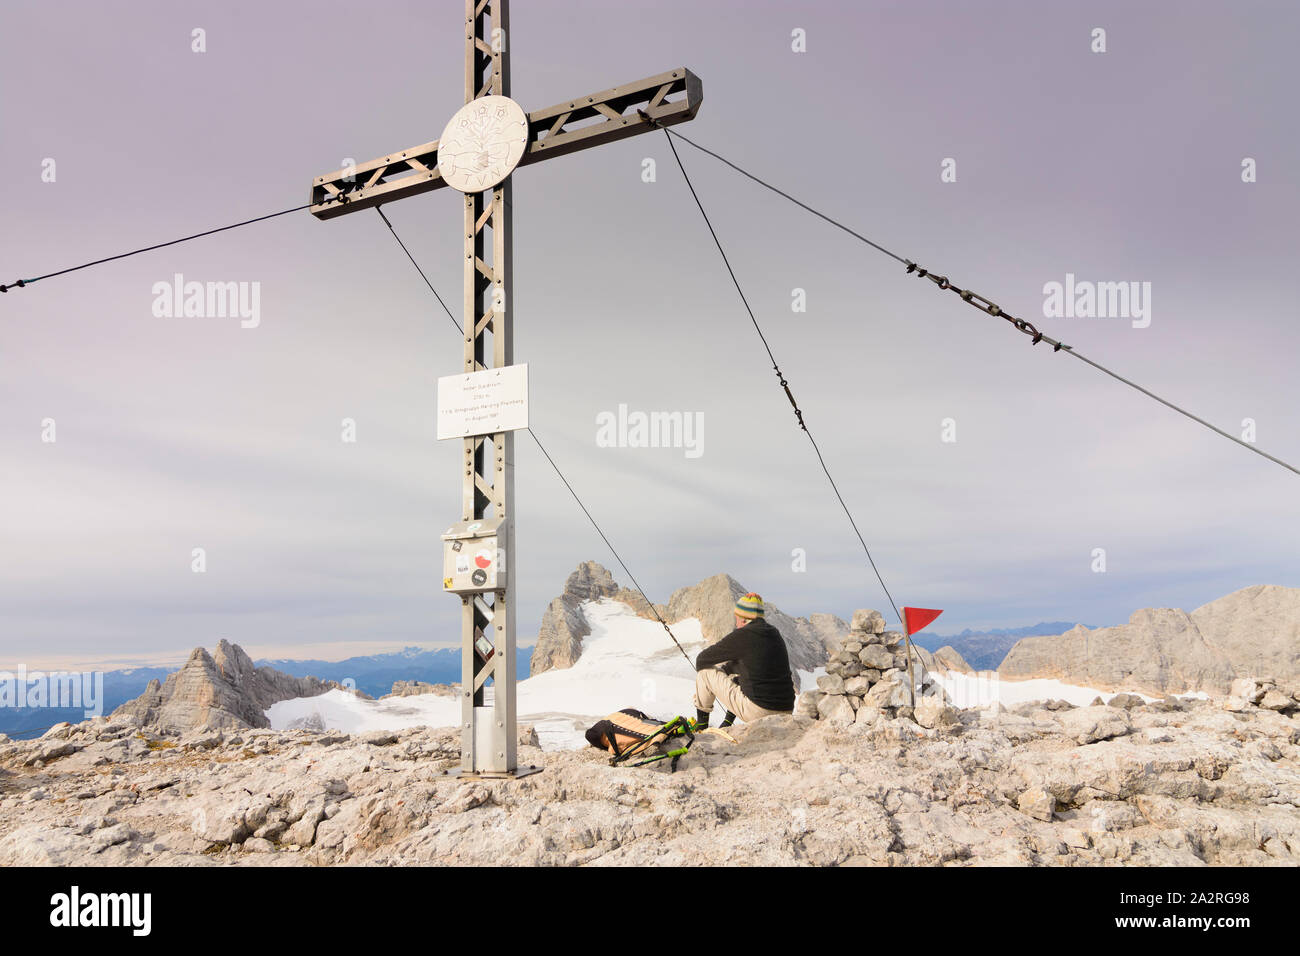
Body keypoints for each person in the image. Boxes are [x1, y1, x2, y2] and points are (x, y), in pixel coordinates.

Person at [693, 592, 795, 729]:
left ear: (743, 619)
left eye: (736, 618)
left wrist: (720, 675)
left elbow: (702, 660)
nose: (736, 623)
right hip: (786, 710)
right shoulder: (773, 633)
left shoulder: (743, 635)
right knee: (741, 672)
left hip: (760, 712)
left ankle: (701, 728)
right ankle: (727, 722)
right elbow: (751, 664)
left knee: (705, 673)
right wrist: (728, 670)